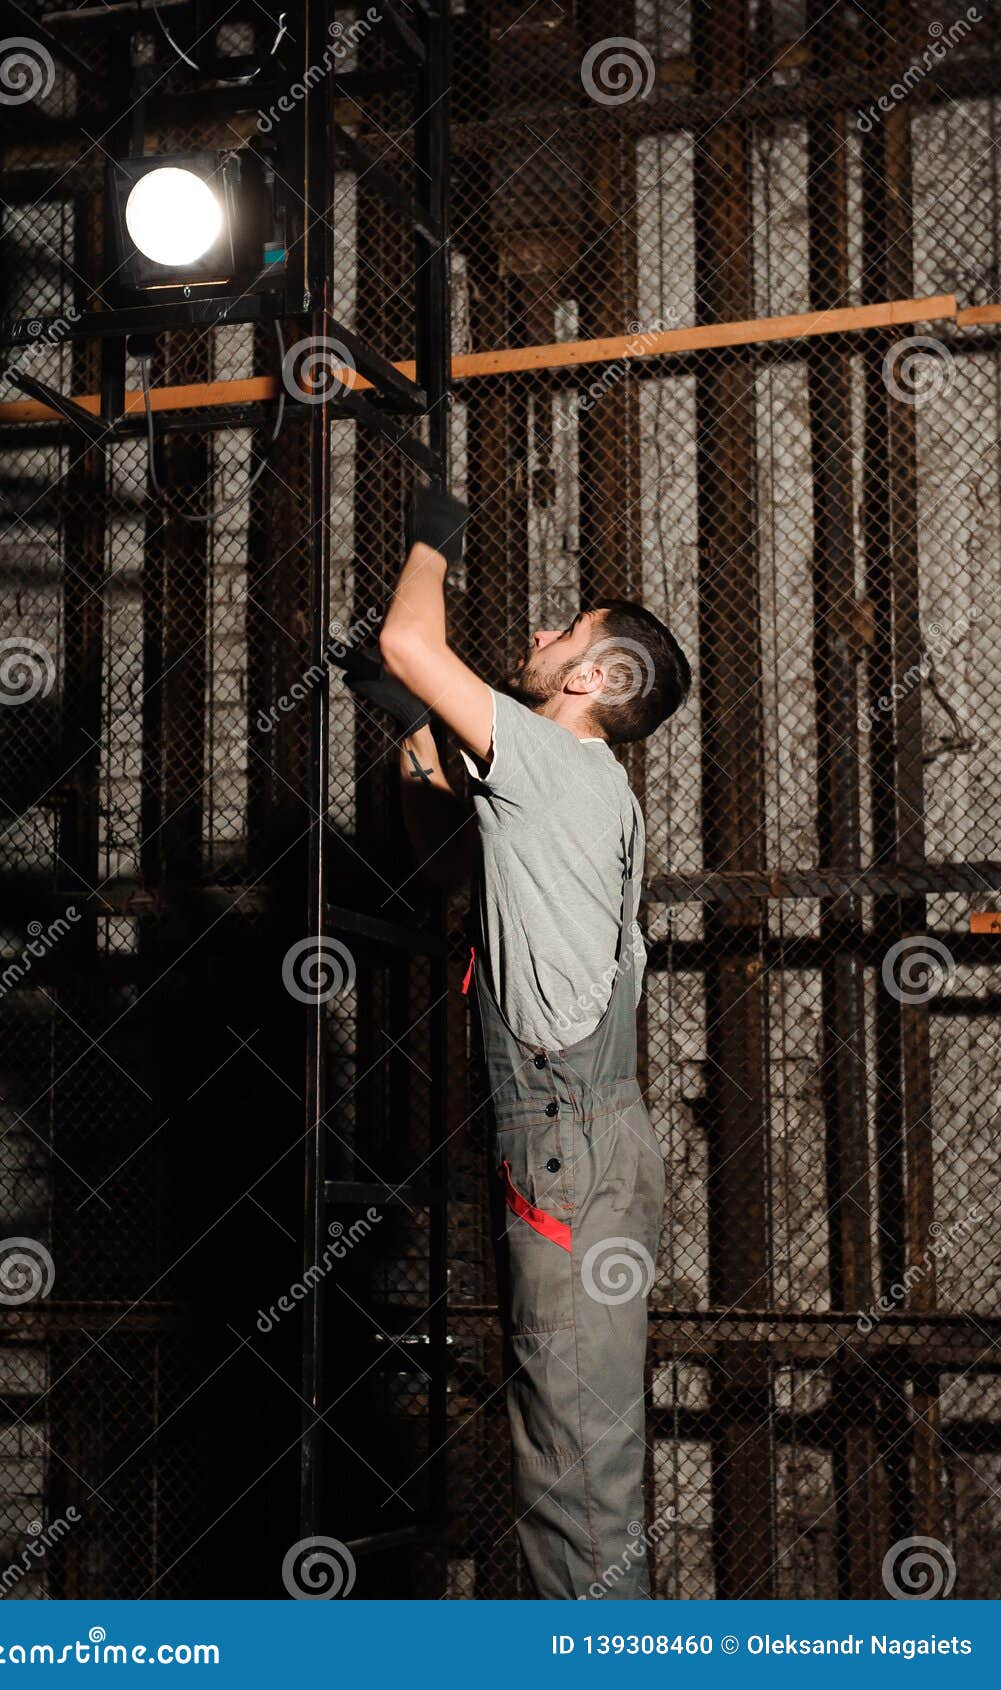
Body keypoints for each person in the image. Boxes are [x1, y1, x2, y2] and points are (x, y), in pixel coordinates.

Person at [336, 485, 692, 1600]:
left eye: (562, 634)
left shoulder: (552, 759)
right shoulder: (587, 791)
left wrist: (432, 538)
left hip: (568, 1146)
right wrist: (414, 728)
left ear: (591, 682)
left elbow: (408, 634)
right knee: (566, 1455)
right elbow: (450, 863)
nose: (538, 638)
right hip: (577, 1141)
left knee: (578, 1491)